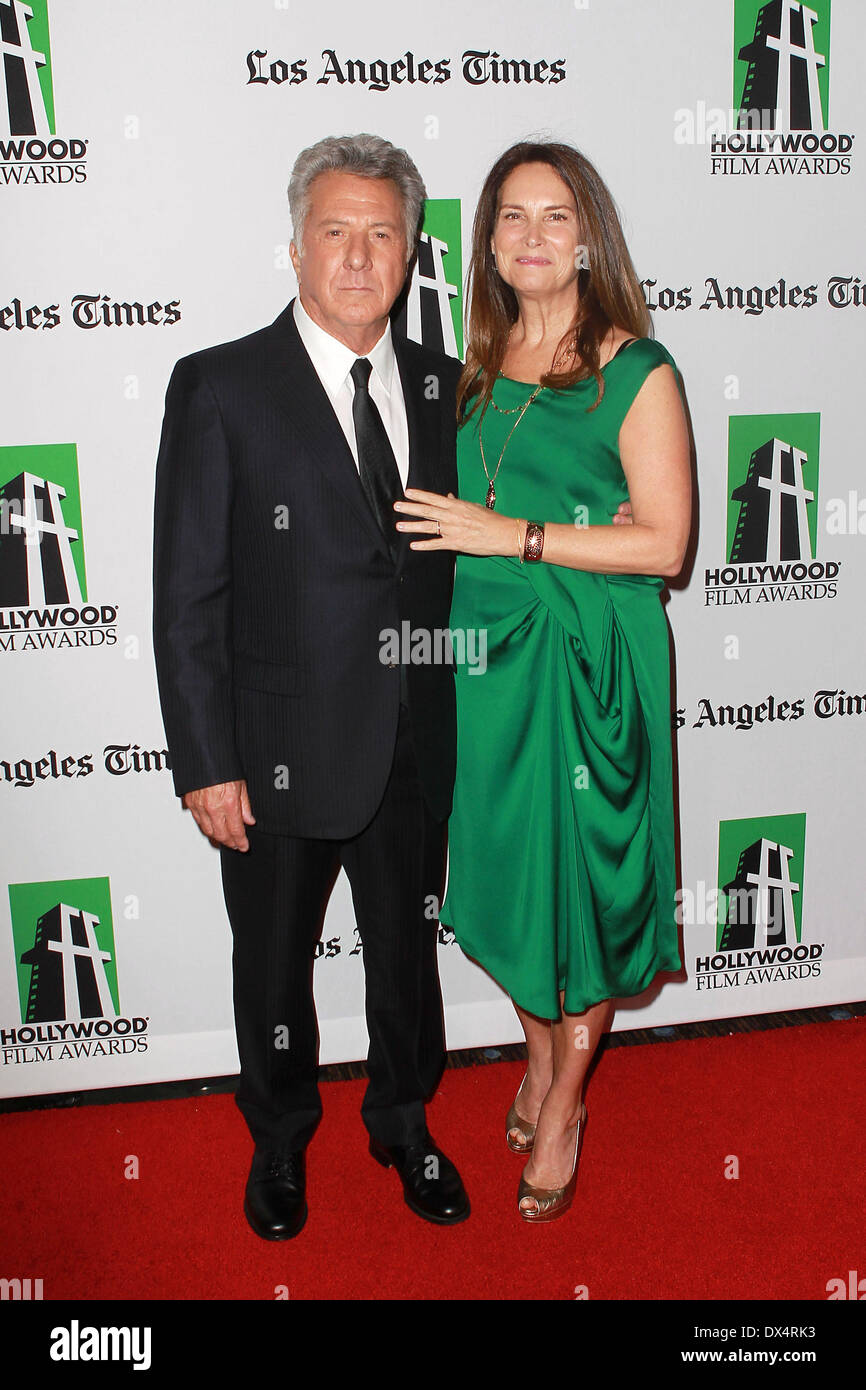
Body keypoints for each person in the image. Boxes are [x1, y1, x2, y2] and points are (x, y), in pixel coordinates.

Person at [152, 133, 470, 1239]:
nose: (357, 255)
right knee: (274, 974)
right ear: (293, 246)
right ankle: (280, 1143)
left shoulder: (443, 383)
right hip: (273, 752)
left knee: (405, 963)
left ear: (411, 249)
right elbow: (187, 594)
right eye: (334, 231)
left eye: (382, 233)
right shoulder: (220, 385)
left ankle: (402, 1121)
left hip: (413, 745)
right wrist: (205, 760)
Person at [394, 140, 691, 1222]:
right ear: (484, 243)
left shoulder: (634, 368)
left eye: (553, 216)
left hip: (582, 668)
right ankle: (536, 1059)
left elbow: (662, 545)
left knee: (583, 907)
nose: (529, 236)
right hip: (480, 677)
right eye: (509, 217)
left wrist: (517, 533)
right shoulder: (460, 372)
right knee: (516, 895)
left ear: (587, 235)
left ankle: (562, 1096)